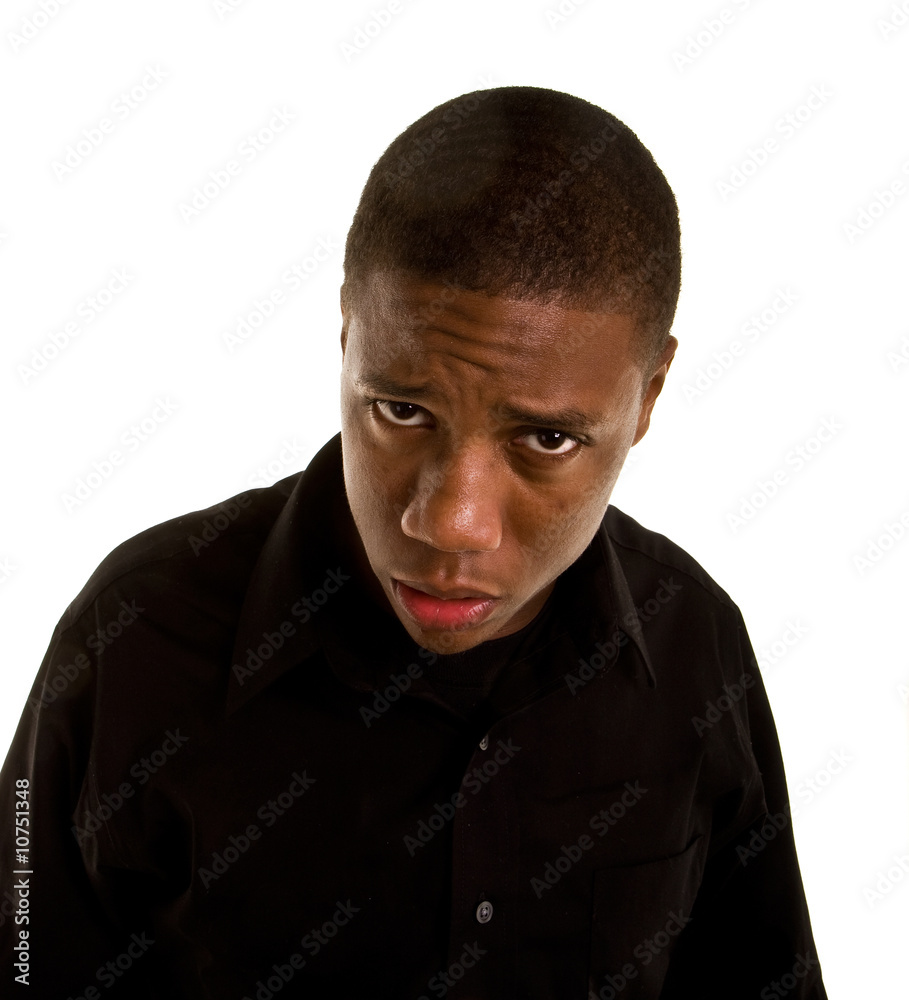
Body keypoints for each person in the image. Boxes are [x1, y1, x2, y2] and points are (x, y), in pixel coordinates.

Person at [0, 86, 827, 998]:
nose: (448, 524)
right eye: (402, 411)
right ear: (348, 330)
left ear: (649, 396)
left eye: (545, 439)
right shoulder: (138, 637)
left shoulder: (693, 644)